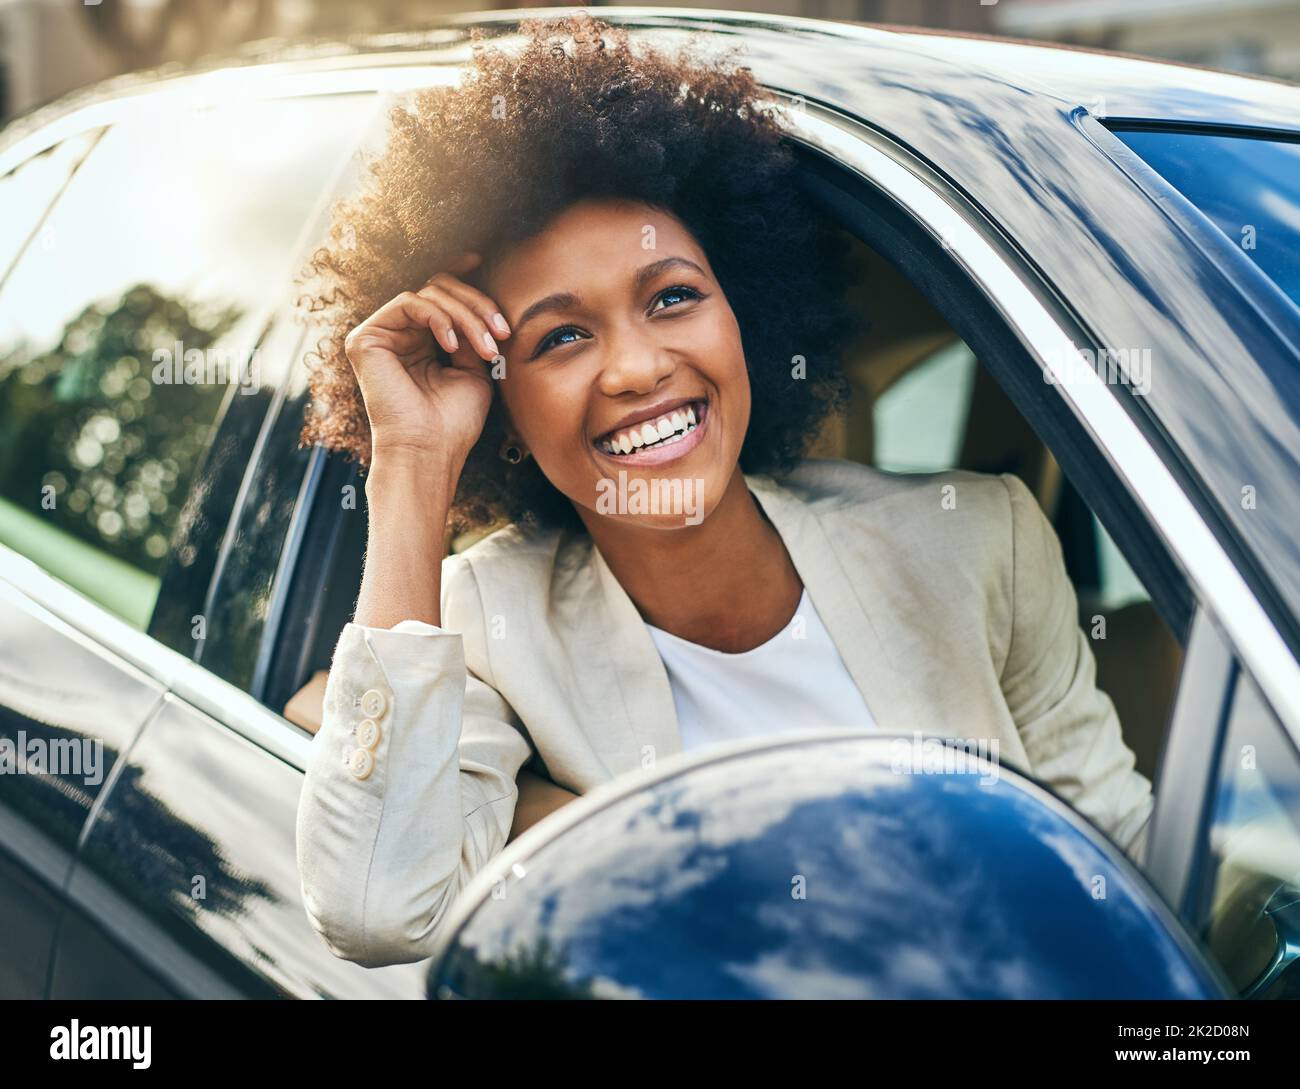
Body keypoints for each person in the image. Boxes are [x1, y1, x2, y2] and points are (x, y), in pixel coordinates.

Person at [293, 12, 1153, 969]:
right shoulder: (486, 626)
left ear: (744, 313)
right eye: (560, 337)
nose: (634, 368)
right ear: (503, 408)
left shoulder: (980, 543)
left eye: (672, 297)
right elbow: (375, 905)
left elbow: (1127, 875)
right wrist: (410, 462)